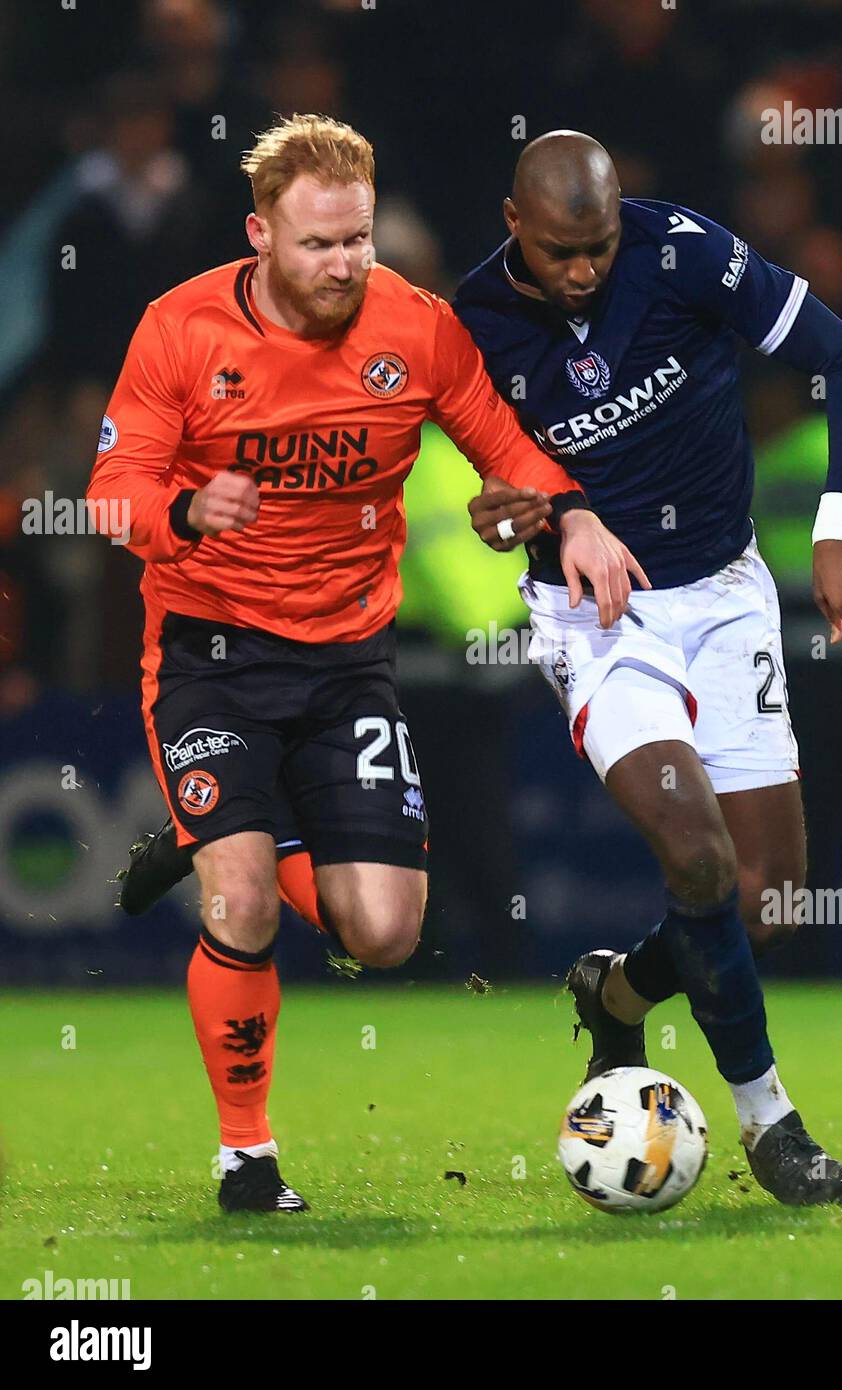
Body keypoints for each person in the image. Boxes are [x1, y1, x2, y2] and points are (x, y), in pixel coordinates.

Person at [87, 115, 644, 1215]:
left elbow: (504, 444)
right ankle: (247, 1154)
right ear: (260, 235)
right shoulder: (180, 329)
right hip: (212, 654)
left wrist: (558, 515)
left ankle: (214, 833)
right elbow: (109, 494)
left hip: (347, 659)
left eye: (358, 240)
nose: (344, 265)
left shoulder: (417, 329)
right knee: (242, 905)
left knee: (386, 935)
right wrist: (188, 508)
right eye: (317, 245)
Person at [458, 131, 842, 1206]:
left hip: (724, 593)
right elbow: (490, 482)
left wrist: (838, 531)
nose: (583, 270)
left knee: (767, 900)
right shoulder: (469, 323)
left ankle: (617, 994)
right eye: (562, 251)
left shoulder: (683, 254)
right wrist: (502, 511)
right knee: (698, 859)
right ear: (514, 224)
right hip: (599, 618)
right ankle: (771, 1124)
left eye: (599, 246)